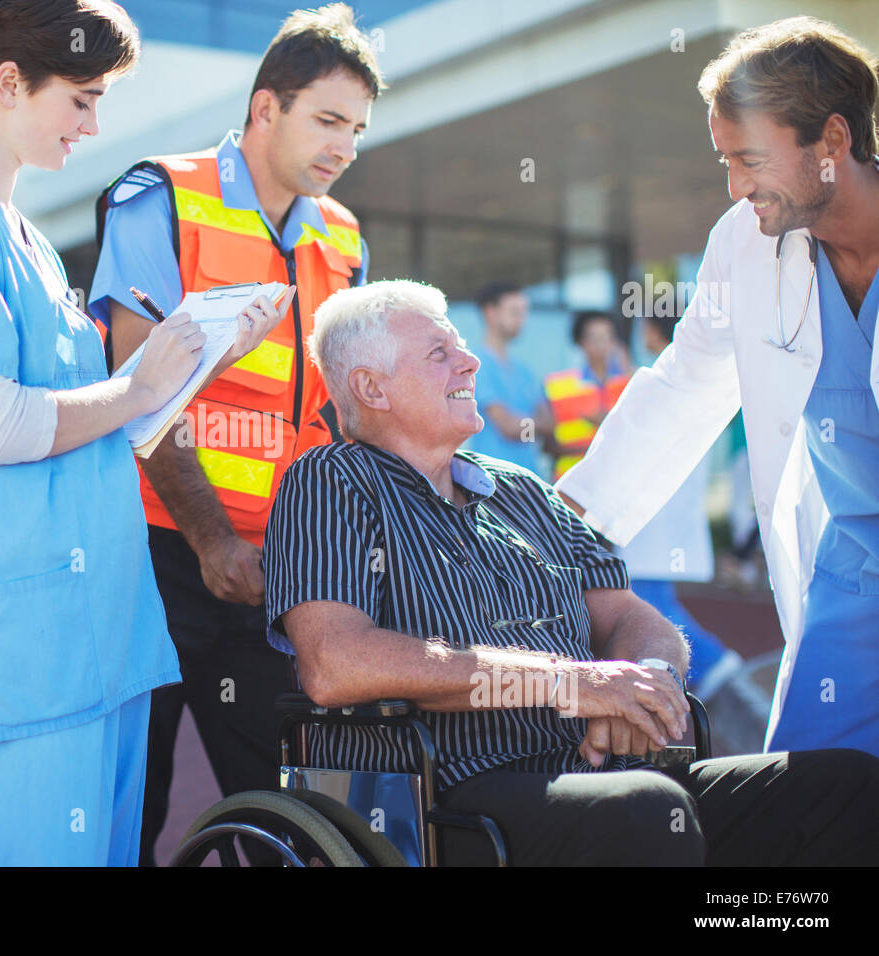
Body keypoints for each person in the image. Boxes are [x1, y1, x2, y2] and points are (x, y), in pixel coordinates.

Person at [0, 0, 288, 866]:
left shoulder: (33, 245)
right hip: (22, 651)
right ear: (8, 82)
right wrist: (140, 383)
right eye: (82, 99)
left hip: (95, 638)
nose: (93, 126)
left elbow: (98, 427)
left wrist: (200, 354)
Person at [262, 279, 879, 866]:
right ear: (372, 388)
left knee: (842, 785)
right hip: (442, 798)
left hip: (595, 774)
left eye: (462, 345)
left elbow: (632, 617)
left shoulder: (523, 490)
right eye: (438, 352)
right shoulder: (329, 482)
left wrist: (643, 682)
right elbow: (335, 663)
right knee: (646, 809)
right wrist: (575, 684)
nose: (470, 362)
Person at [88, 3, 383, 865]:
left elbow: (339, 415)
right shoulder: (162, 197)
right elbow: (137, 391)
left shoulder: (343, 236)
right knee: (127, 805)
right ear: (266, 108)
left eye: (358, 129)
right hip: (155, 549)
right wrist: (213, 537)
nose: (344, 146)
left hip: (272, 572)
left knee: (281, 809)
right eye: (328, 119)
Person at [556, 17, 879, 757]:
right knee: (811, 802)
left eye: (751, 159)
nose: (736, 187)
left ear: (832, 143)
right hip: (853, 578)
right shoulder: (747, 244)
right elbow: (683, 387)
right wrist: (568, 519)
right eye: (725, 161)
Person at [618, 314, 748, 703]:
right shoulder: (693, 381)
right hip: (662, 516)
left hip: (651, 516)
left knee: (645, 601)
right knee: (649, 597)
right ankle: (704, 669)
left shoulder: (659, 382)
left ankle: (710, 663)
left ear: (655, 332)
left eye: (644, 328)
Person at [463, 281, 550, 475]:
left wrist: (526, 426)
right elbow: (508, 428)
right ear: (490, 312)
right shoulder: (475, 365)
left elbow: (549, 425)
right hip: (494, 484)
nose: (522, 319)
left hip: (531, 481)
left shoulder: (525, 371)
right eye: (514, 312)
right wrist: (537, 426)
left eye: (524, 312)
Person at [542, 311, 632, 481]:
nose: (601, 344)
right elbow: (546, 444)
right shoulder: (557, 385)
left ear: (615, 343)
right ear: (581, 342)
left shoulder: (630, 384)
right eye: (594, 338)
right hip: (570, 483)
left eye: (606, 338)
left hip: (617, 484)